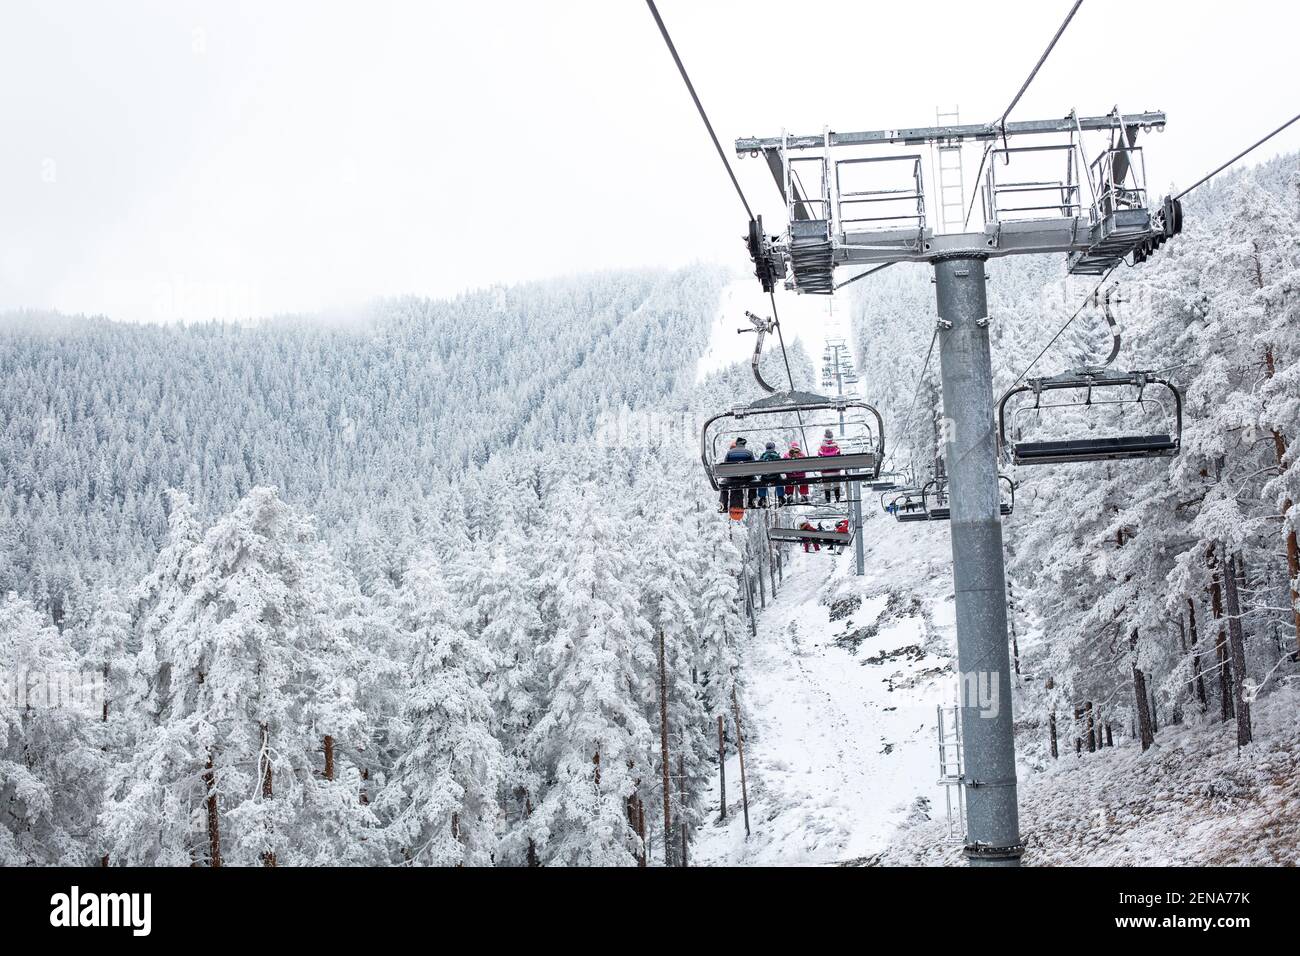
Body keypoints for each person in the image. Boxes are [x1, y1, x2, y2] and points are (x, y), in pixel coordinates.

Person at [718, 437, 757, 513]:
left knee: (723, 483)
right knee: (754, 480)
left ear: (736, 444)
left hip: (732, 479)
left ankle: (724, 504)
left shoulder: (729, 453)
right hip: (746, 479)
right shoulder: (749, 453)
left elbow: (725, 465)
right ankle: (751, 501)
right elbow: (753, 465)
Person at [755, 441, 785, 508]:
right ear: (773, 448)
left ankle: (762, 498)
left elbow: (758, 466)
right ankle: (780, 497)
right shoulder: (776, 455)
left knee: (762, 480)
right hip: (776, 477)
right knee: (779, 480)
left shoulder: (763, 456)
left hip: (765, 477)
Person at [818, 428, 842, 504]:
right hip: (836, 471)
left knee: (826, 484)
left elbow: (819, 459)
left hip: (825, 472)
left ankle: (828, 500)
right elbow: (839, 458)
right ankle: (837, 499)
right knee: (836, 483)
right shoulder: (836, 447)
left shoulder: (821, 448)